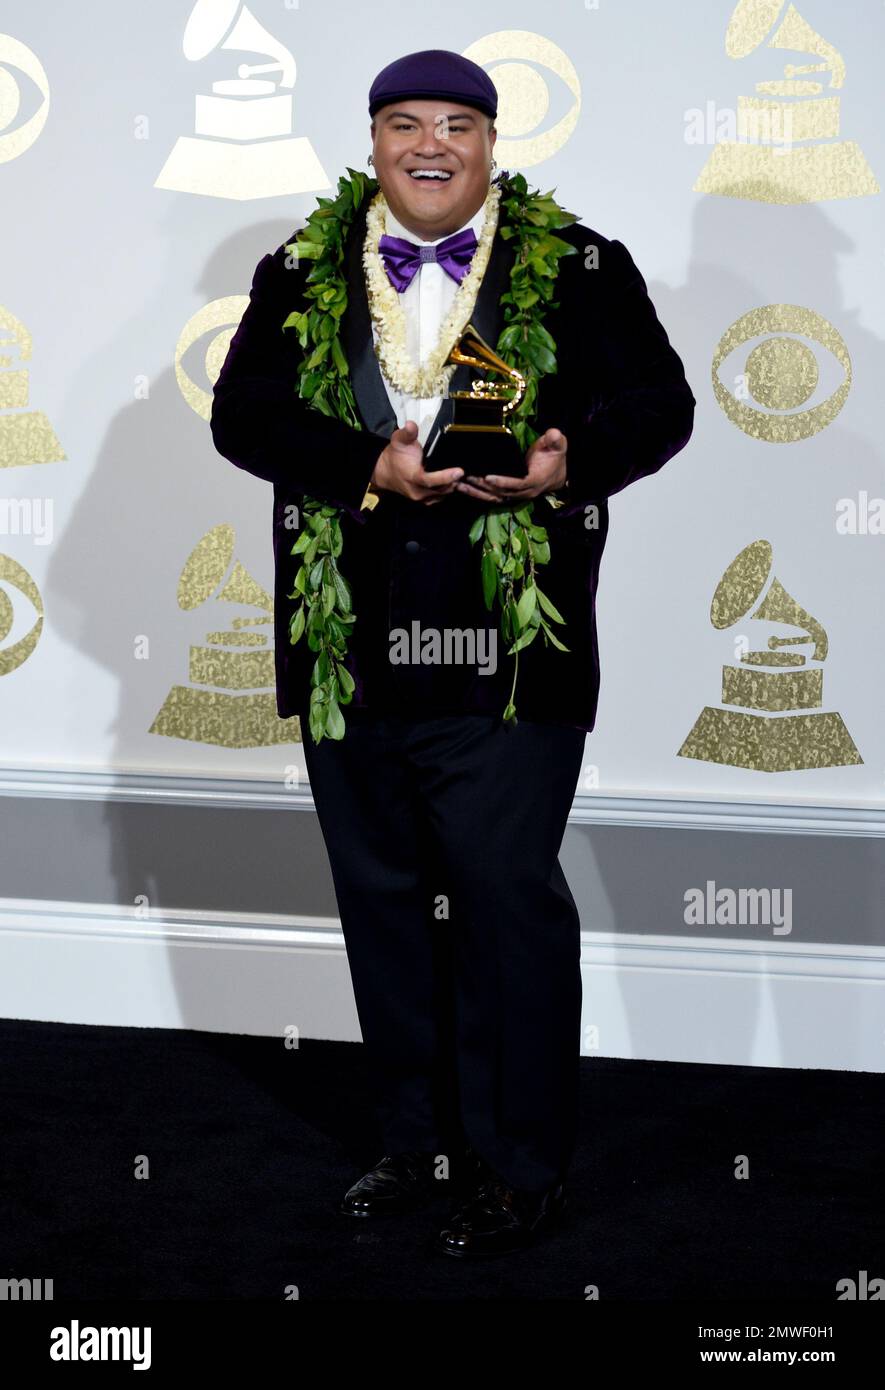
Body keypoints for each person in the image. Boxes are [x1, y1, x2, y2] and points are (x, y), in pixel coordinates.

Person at [211, 49, 696, 1259]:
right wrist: (363, 464)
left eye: (459, 125)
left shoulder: (582, 267)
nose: (432, 145)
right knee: (385, 904)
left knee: (501, 902)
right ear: (372, 141)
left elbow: (663, 402)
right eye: (405, 124)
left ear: (491, 143)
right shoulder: (297, 268)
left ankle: (518, 1162)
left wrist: (566, 454)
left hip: (511, 657)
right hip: (351, 650)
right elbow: (244, 414)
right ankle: (416, 1141)